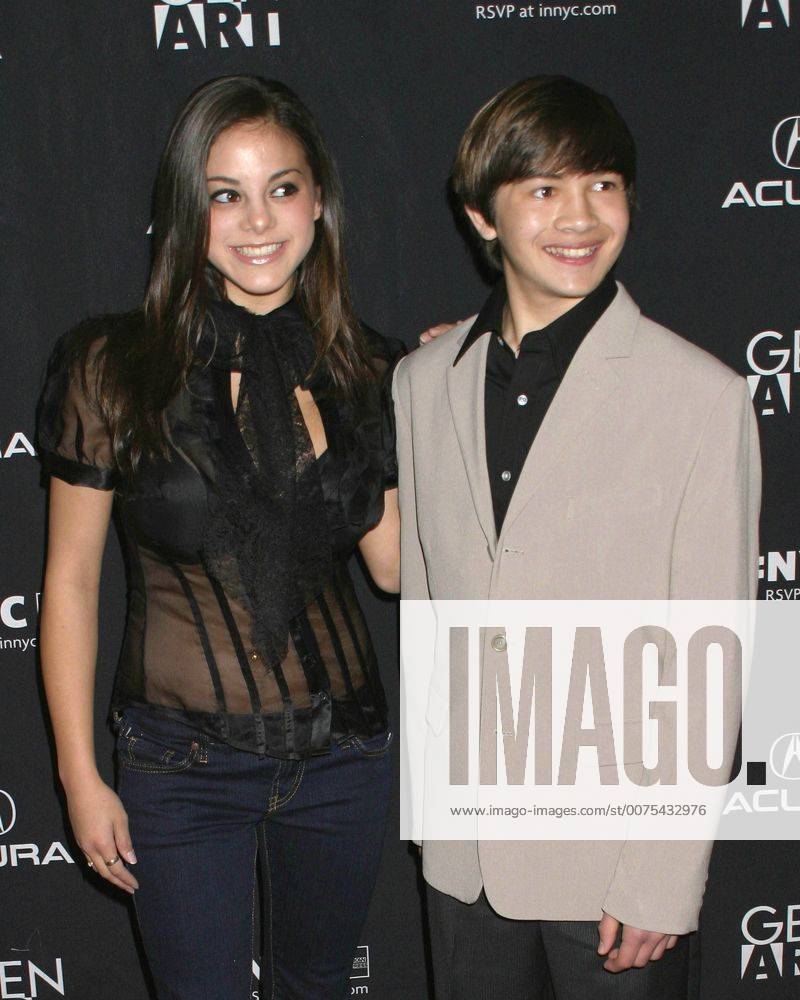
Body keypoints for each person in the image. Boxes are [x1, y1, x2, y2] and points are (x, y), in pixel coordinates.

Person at [393, 75, 761, 999]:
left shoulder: (700, 396)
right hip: (465, 862)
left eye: (603, 184)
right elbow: (430, 610)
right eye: (544, 188)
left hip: (613, 874)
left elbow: (714, 658)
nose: (581, 217)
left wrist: (662, 876)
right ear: (482, 214)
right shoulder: (423, 381)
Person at [37, 75, 403, 1000]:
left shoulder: (369, 367)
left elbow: (394, 567)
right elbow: (71, 582)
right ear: (184, 212)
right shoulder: (115, 365)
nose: (258, 221)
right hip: (180, 767)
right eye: (224, 195)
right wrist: (79, 776)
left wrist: (439, 392)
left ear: (318, 202)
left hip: (345, 758)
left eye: (282, 188)